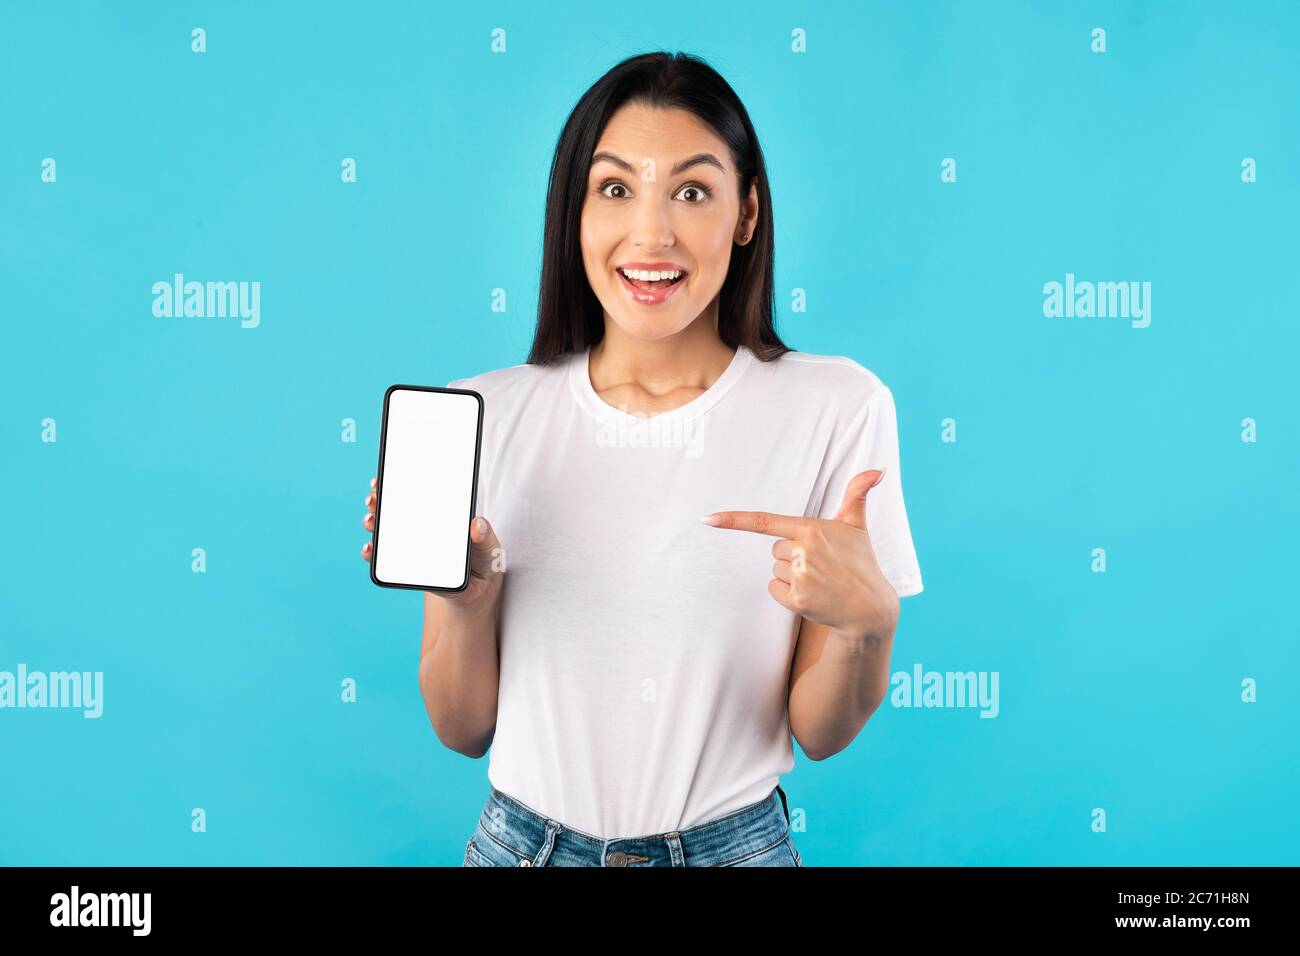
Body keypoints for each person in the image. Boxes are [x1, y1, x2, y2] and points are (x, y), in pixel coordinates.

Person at [359, 51, 924, 867]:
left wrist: (868, 624)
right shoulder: (486, 413)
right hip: (521, 849)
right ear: (574, 212)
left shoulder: (837, 407)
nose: (651, 234)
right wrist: (469, 601)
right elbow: (460, 727)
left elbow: (819, 731)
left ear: (747, 213)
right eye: (615, 189)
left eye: (691, 191)